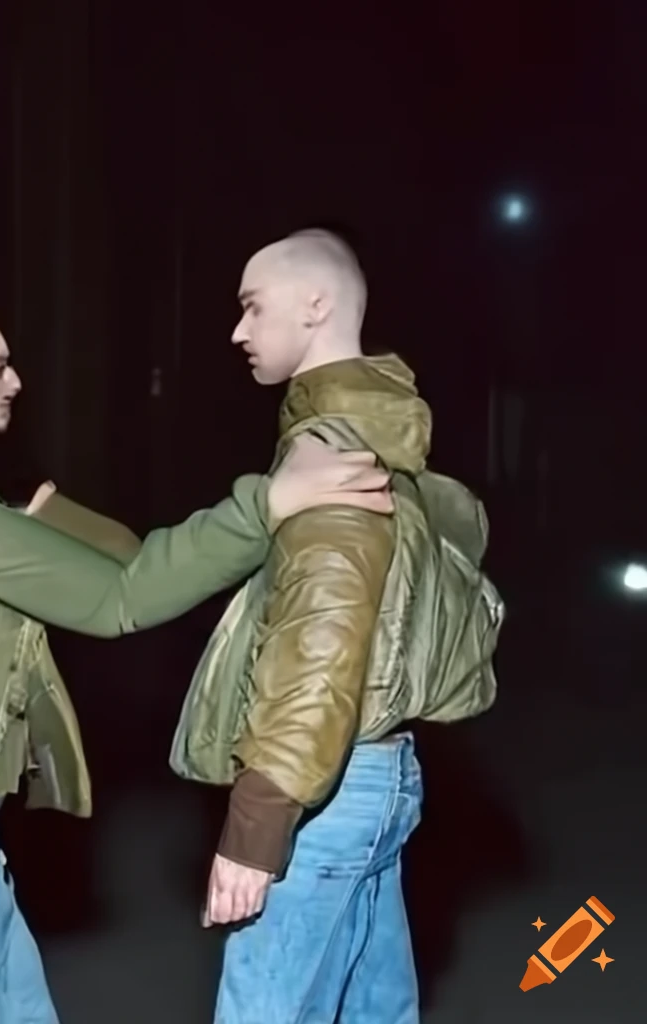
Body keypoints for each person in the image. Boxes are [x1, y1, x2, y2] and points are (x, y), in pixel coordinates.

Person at [0, 305, 395, 1024]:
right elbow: (124, 598)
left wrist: (49, 515)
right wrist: (267, 502)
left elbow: (123, 556)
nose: (17, 381)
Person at [169, 230, 503, 1023]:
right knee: (375, 1009)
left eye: (253, 307)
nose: (237, 332)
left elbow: (321, 645)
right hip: (380, 773)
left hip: (324, 789)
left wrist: (258, 820)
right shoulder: (385, 442)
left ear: (315, 305)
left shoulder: (328, 451)